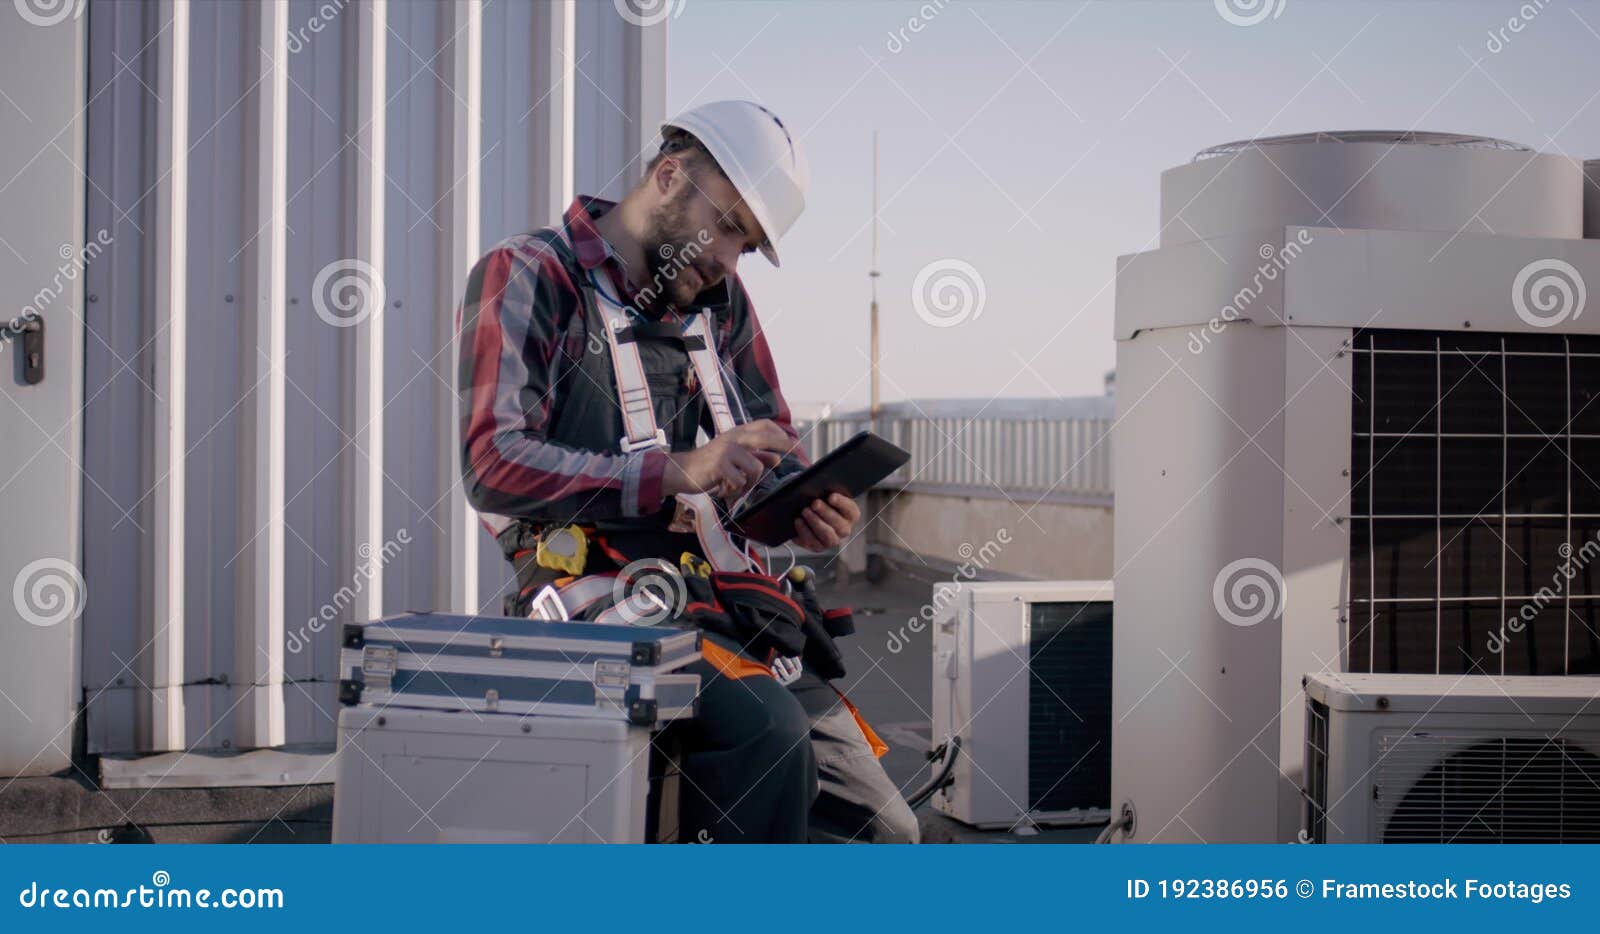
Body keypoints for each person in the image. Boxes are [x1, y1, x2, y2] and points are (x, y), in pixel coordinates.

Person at [455, 99, 916, 843]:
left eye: (749, 244)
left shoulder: (720, 302)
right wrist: (674, 471)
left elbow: (771, 451)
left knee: (882, 829)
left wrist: (799, 502)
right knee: (765, 735)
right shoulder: (530, 274)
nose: (730, 261)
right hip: (598, 606)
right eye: (729, 226)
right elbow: (493, 461)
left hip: (722, 604)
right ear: (668, 176)